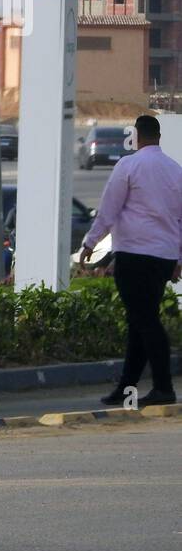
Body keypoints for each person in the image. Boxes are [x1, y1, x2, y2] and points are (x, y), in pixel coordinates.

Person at [79, 114, 182, 407]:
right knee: (140, 320)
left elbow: (109, 209)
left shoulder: (129, 165)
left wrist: (90, 243)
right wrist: (178, 258)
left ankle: (163, 387)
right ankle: (126, 389)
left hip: (134, 255)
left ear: (136, 136)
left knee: (145, 320)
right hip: (162, 257)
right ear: (159, 136)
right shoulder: (176, 170)